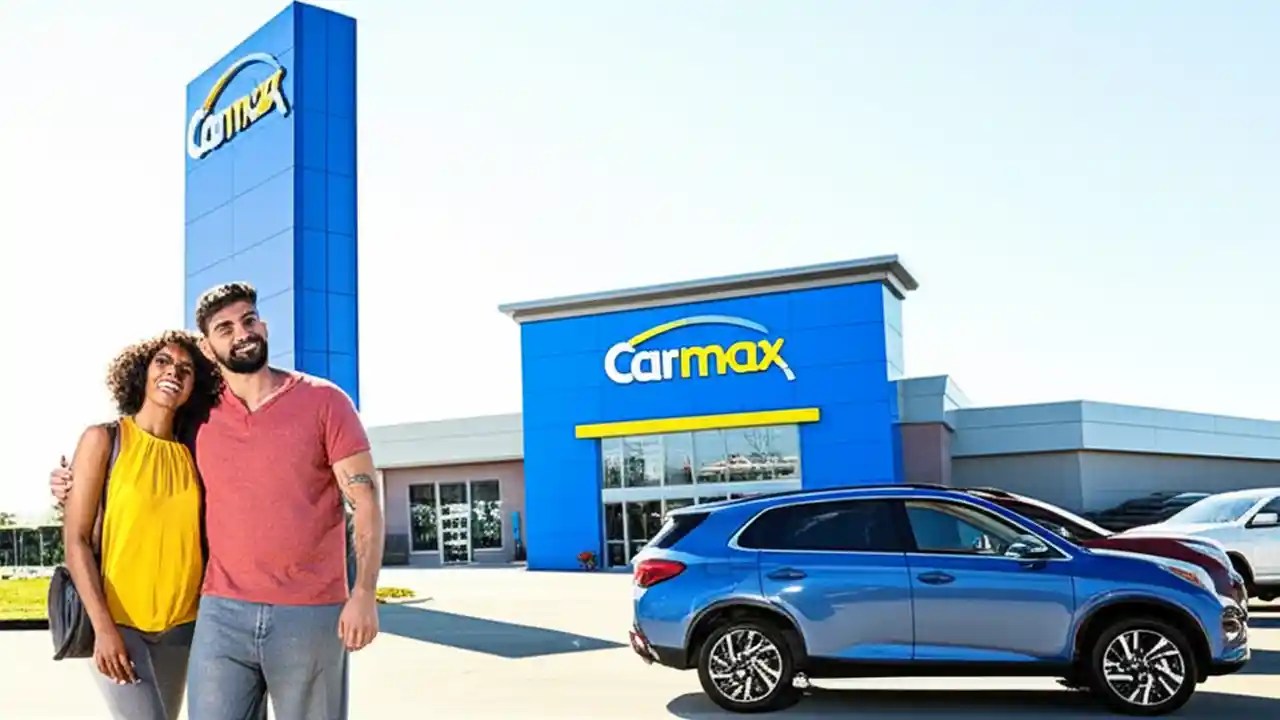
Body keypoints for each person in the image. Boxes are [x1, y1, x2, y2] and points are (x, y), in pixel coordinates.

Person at [50, 281, 385, 720]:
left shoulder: (324, 402)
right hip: (218, 615)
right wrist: (68, 485)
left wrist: (364, 593)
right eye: (224, 328)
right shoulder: (198, 419)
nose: (241, 333)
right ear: (210, 347)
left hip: (304, 613)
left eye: (248, 321)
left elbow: (365, 500)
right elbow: (124, 489)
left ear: (263, 326)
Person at [61, 330, 222, 720]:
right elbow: (76, 540)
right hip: (119, 623)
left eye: (186, 369)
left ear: (193, 387)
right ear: (141, 372)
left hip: (183, 628)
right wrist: (104, 629)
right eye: (163, 362)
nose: (173, 373)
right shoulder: (104, 439)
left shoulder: (193, 453)